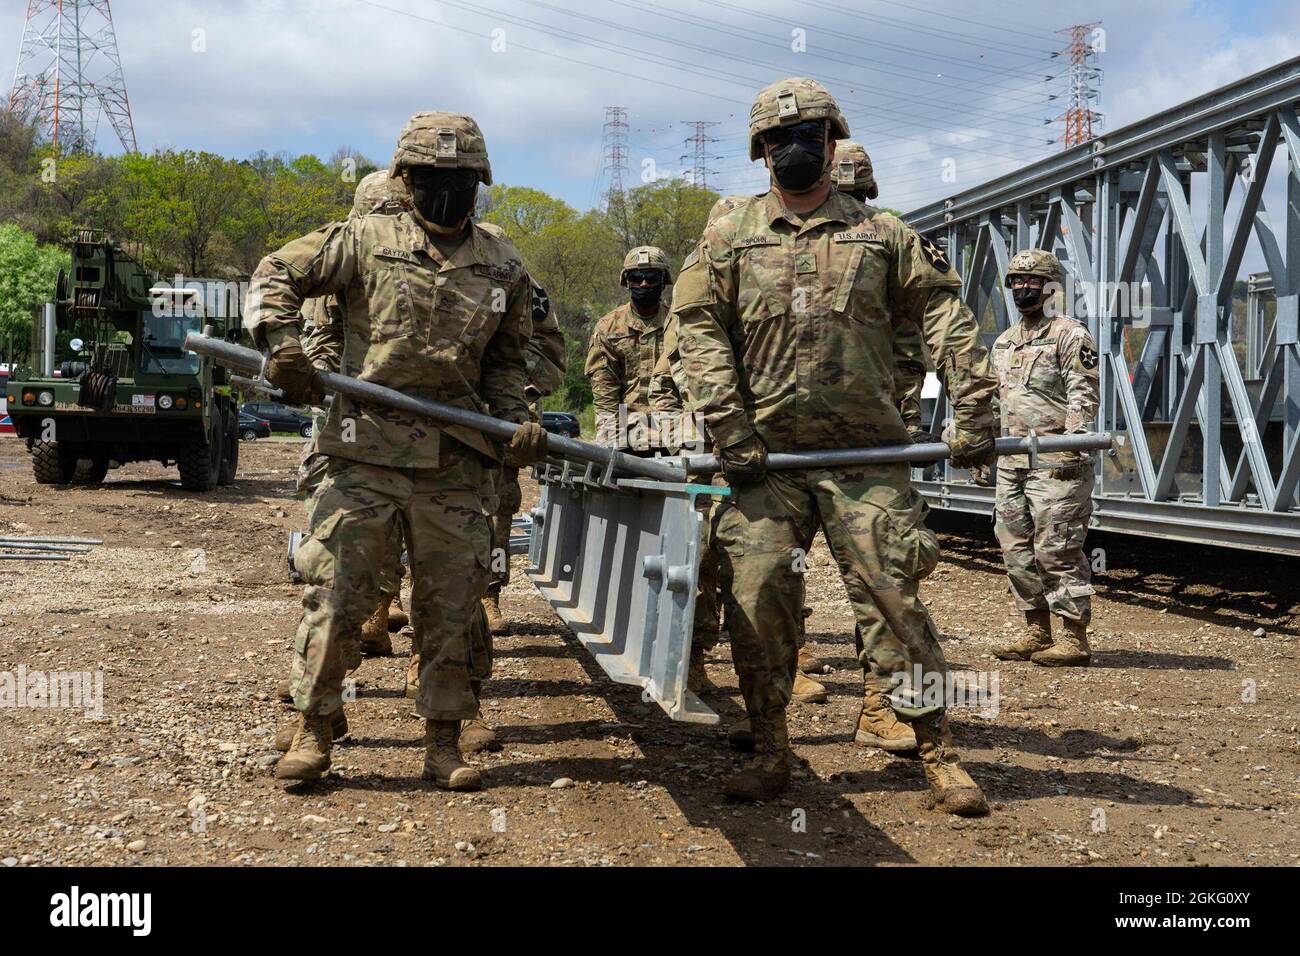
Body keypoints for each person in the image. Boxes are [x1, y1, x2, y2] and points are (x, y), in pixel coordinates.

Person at [671, 77, 999, 815]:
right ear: (761, 151)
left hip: (864, 458)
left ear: (830, 142)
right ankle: (772, 748)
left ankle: (937, 751)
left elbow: (942, 312)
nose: (794, 149)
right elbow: (697, 331)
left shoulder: (882, 235)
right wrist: (728, 426)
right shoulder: (728, 238)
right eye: (779, 139)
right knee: (757, 599)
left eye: (809, 136)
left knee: (895, 600)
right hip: (764, 460)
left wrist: (976, 404)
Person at [246, 111, 546, 790]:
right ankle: (313, 731)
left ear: (480, 183)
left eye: (462, 178)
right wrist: (284, 346)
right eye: (435, 178)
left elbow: (506, 361)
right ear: (408, 180)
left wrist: (516, 419)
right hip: (364, 455)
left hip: (455, 461)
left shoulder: (502, 262)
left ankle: (443, 743)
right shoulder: (363, 241)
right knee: (337, 595)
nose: (449, 189)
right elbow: (275, 275)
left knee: (449, 607)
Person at [991, 249, 1100, 667]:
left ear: (1052, 287)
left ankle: (1074, 638)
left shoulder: (1071, 334)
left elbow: (1084, 395)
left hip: (1056, 463)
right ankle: (1037, 630)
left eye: (1033, 281)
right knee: (1015, 549)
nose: (1023, 287)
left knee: (1057, 550)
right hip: (1012, 462)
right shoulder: (1005, 341)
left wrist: (1069, 444)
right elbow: (996, 401)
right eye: (1017, 281)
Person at [586, 246, 673, 450]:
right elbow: (604, 391)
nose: (644, 284)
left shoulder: (679, 324)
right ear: (627, 281)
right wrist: (609, 444)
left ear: (663, 281)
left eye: (651, 277)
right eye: (636, 277)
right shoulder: (608, 328)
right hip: (628, 435)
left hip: (675, 431)